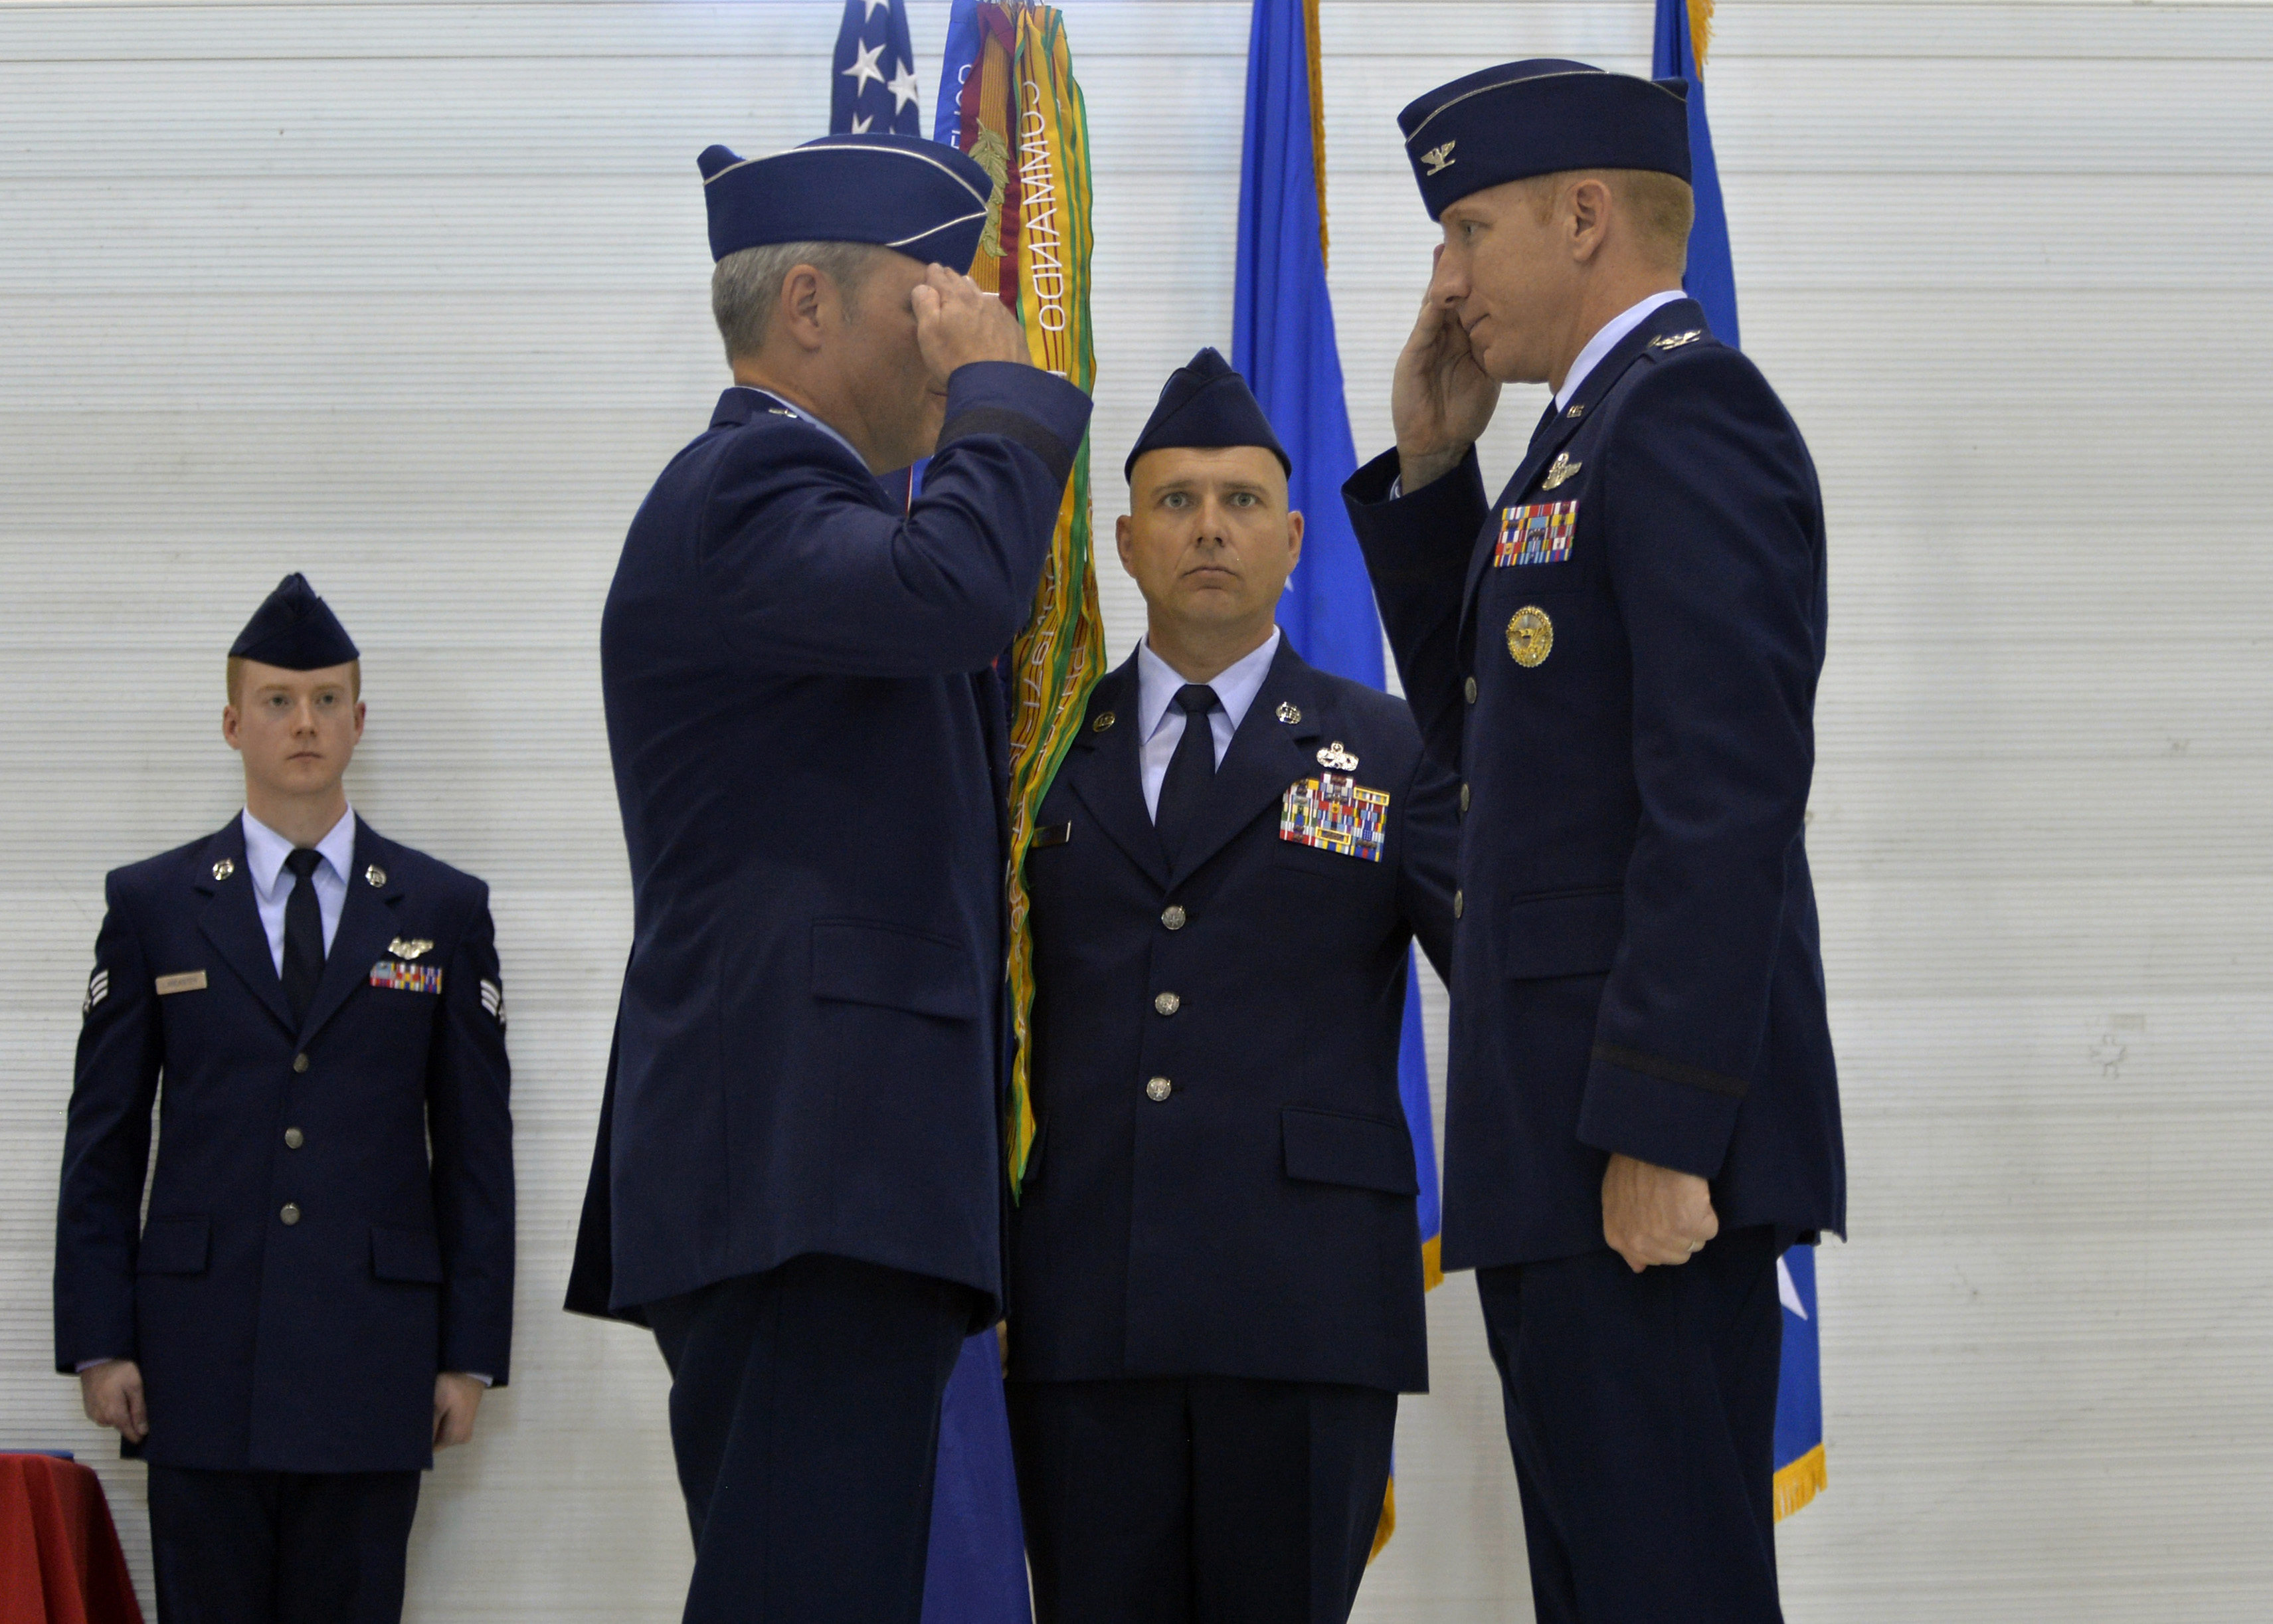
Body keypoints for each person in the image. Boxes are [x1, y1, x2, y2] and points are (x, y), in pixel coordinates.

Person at [1342, 60, 1848, 1623]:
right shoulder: (1580, 438)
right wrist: (1435, 479)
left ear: (1581, 218)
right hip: (1557, 1139)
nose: (1447, 281)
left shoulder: (1687, 408)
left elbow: (1727, 787)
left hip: (1633, 1147)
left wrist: (1666, 1121)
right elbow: (1500, 747)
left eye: (1466, 227)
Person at [563, 132, 1092, 1624]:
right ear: (808, 302)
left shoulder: (819, 514)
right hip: (802, 1164)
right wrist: (1012, 397)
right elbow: (962, 591)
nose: (957, 331)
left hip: (839, 1169)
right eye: (929, 297)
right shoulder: (743, 492)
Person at [1001, 349, 1458, 1624]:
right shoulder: (1041, 757)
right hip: (1087, 1307)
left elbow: (1498, 962)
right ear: (1127, 538)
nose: (1211, 525)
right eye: (1180, 499)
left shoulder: (1388, 748)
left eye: (1244, 500)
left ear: (1296, 535)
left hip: (1303, 1307)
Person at [53, 574, 514, 1624]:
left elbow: (477, 1147)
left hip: (372, 1358)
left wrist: (469, 1351)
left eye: (324, 699)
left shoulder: (441, 908)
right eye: (275, 700)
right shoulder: (154, 905)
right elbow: (105, 1138)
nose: (301, 722)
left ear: (360, 718)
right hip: (196, 1356)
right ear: (231, 721)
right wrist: (100, 1336)